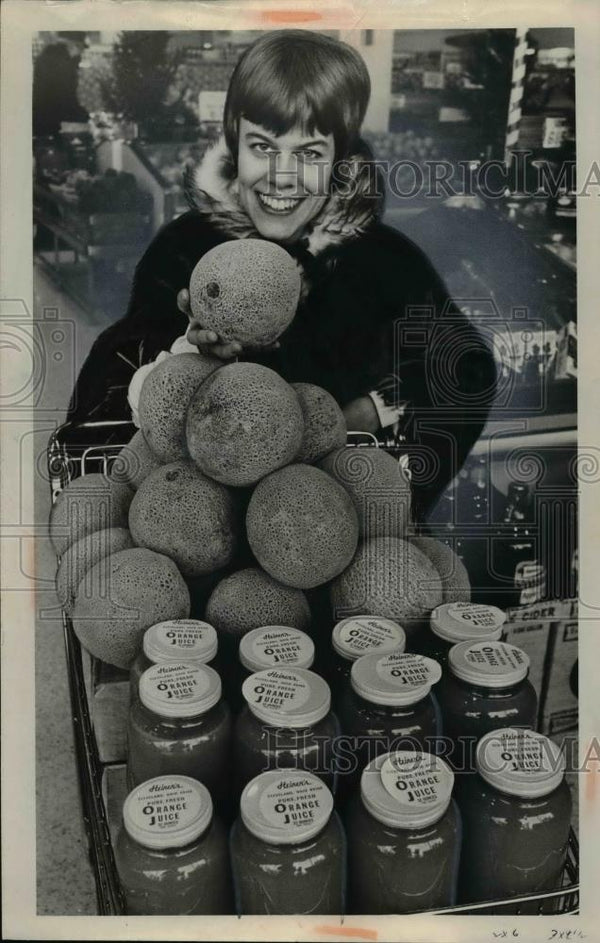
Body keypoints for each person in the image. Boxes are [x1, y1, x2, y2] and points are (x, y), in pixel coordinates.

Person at [67, 29, 497, 523]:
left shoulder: (383, 259)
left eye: (310, 153)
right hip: (201, 530)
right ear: (234, 141)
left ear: (339, 159)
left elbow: (465, 371)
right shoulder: (184, 248)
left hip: (323, 529)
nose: (282, 176)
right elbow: (114, 378)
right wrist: (179, 356)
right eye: (262, 146)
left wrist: (368, 417)